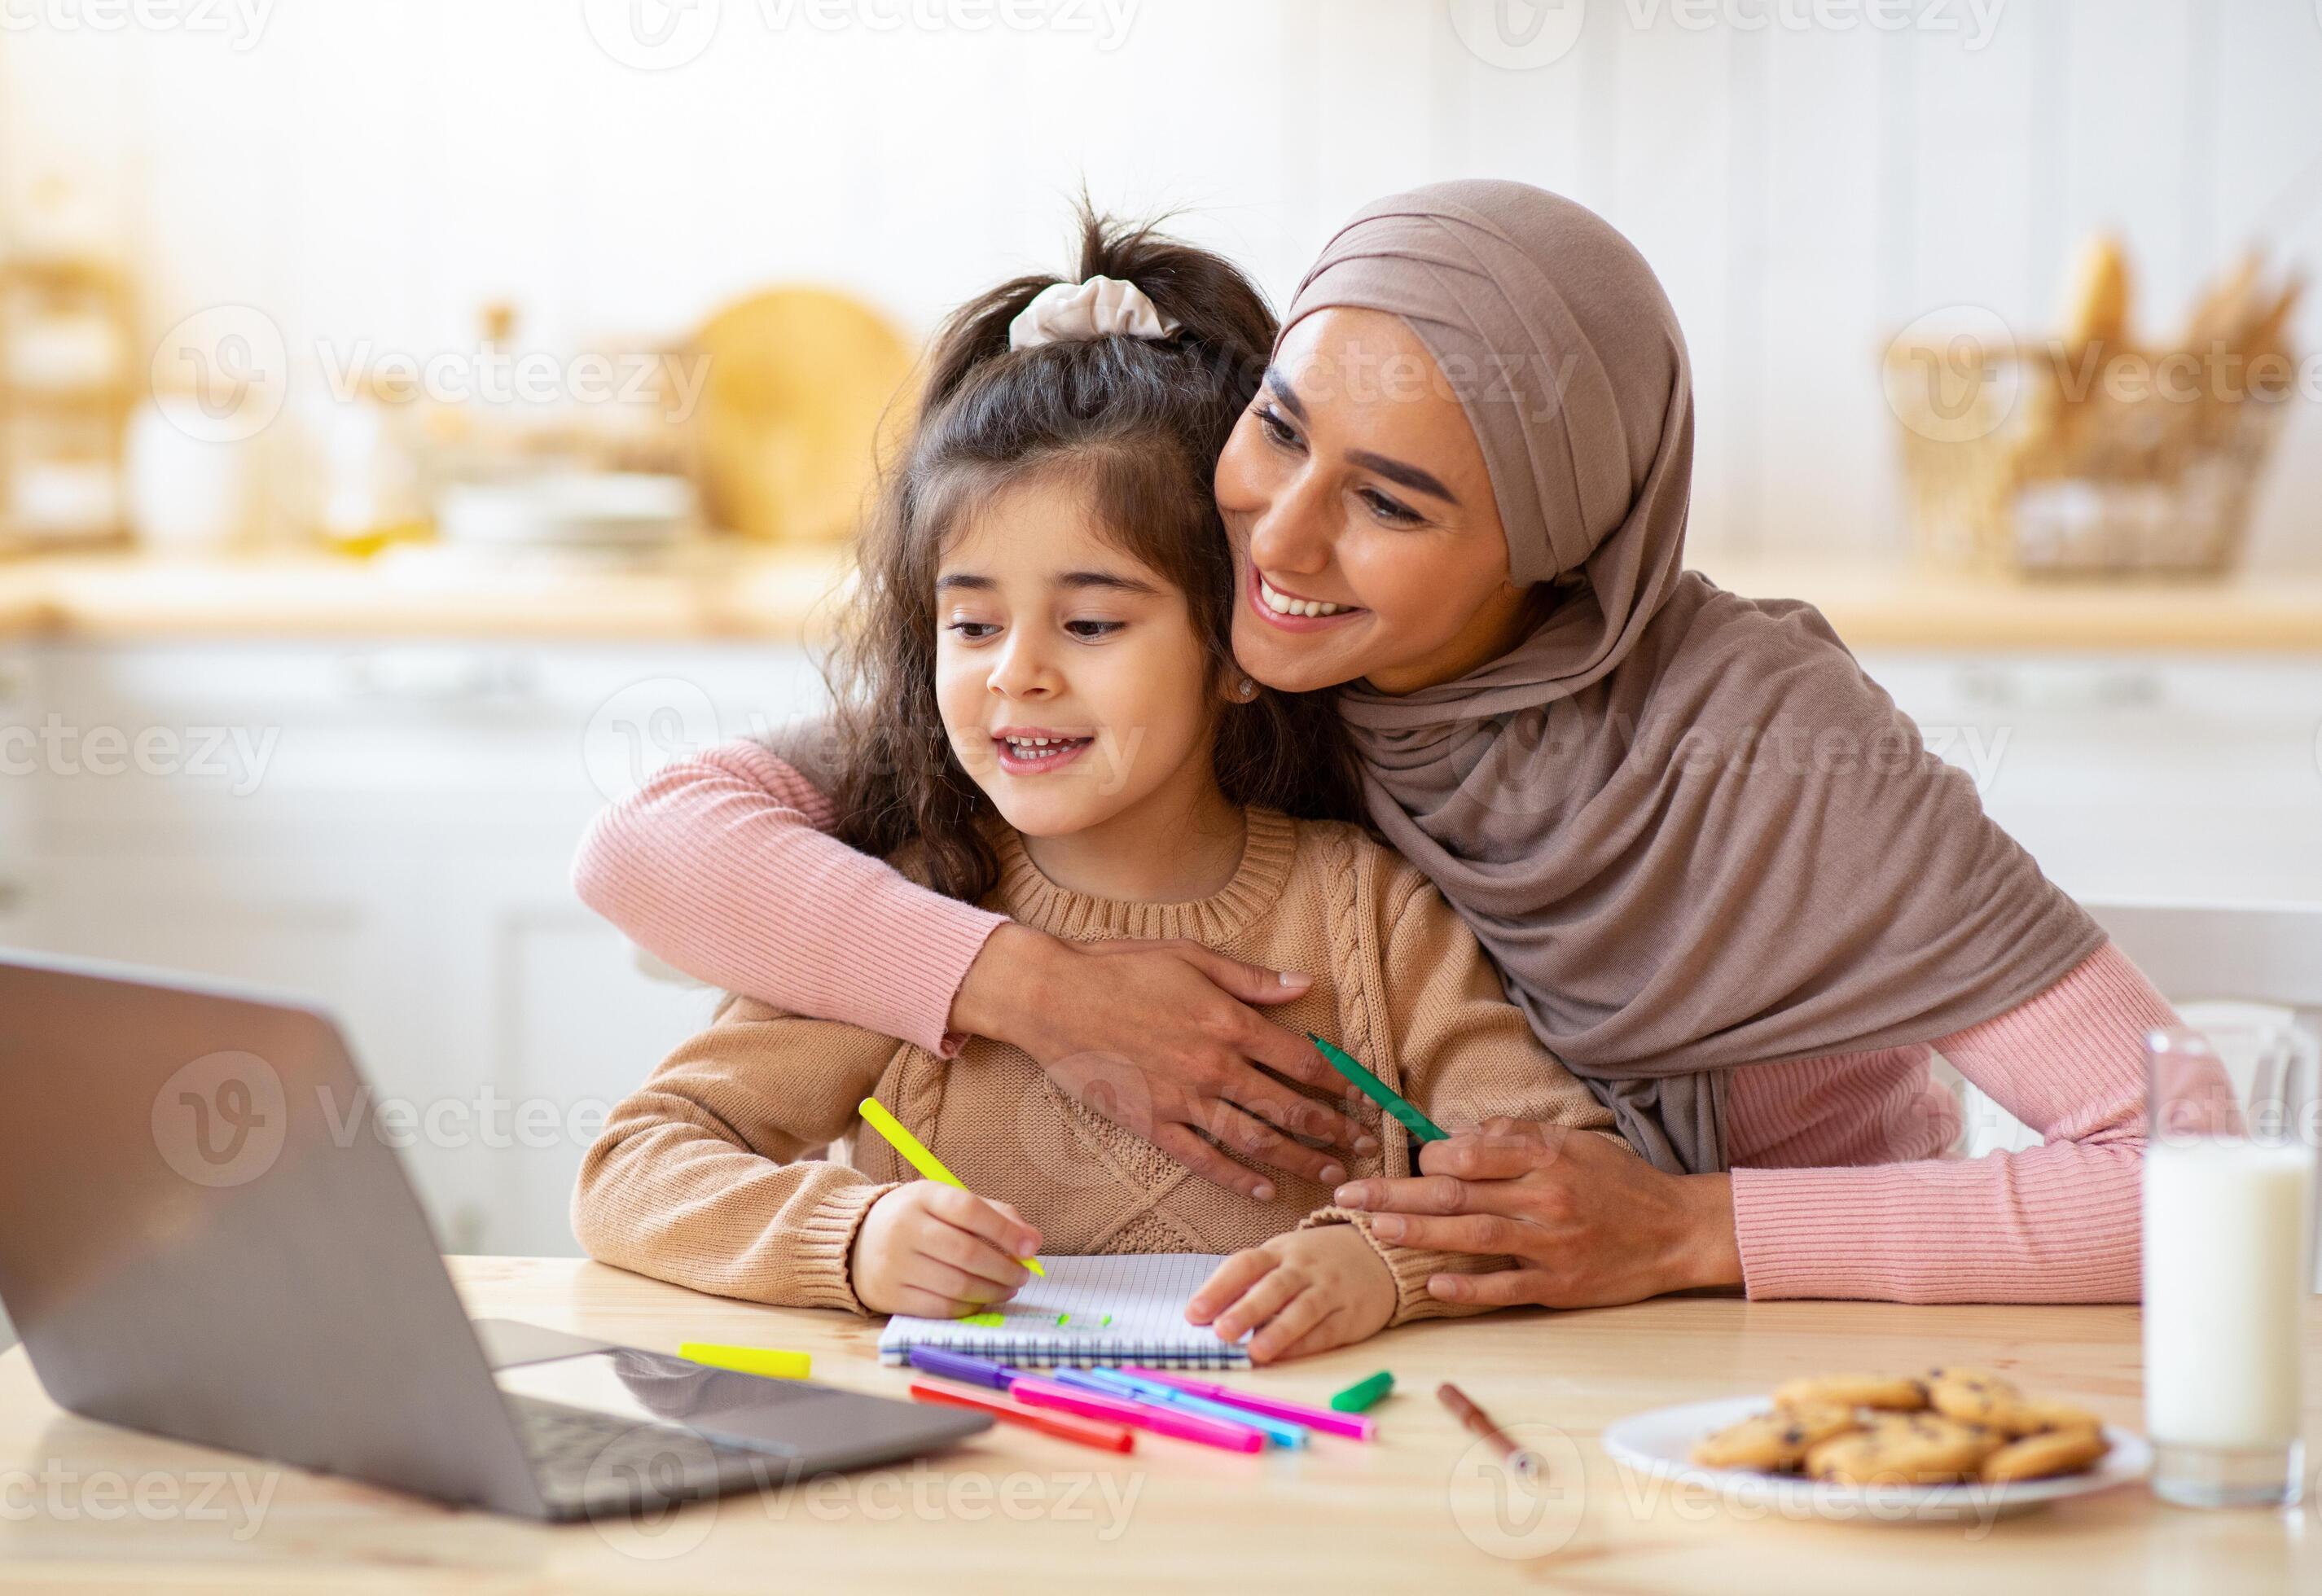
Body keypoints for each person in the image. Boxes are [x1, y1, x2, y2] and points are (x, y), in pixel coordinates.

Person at [577, 182, 2176, 1307]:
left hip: (1762, 1341)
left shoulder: (1760, 745)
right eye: (1277, 426)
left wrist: (1693, 1230)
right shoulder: (1190, 652)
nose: (1279, 530)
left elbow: (2180, 1185)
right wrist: (1040, 988)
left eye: (1394, 501)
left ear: (1551, 549)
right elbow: (650, 845)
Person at [572, 213, 1629, 1365]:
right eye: (970, 623)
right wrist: (855, 1236)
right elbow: (637, 1169)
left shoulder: (1370, 911)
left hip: (1297, 1477)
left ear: (1237, 654)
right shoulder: (911, 904)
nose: (1016, 671)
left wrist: (1387, 1266)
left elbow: (1551, 1166)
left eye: (1089, 623)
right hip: (959, 1476)